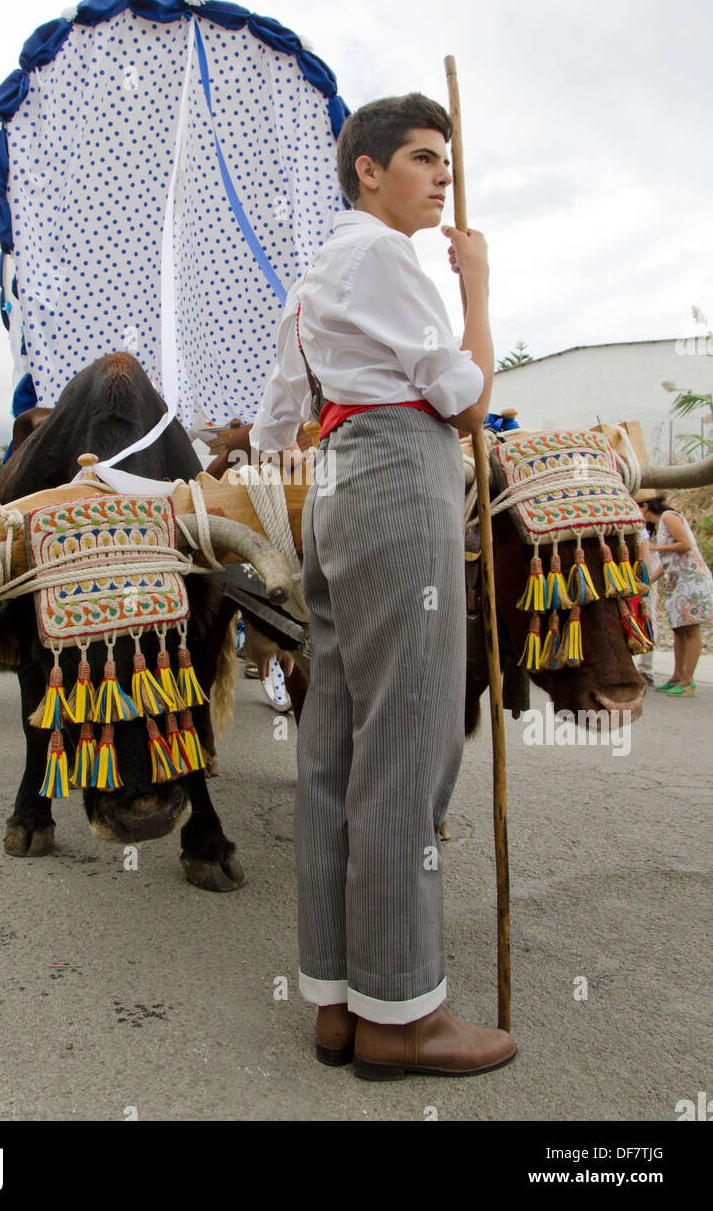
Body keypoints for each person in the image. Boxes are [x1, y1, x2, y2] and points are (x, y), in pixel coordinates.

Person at [250, 92, 515, 1078]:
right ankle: (402, 1014)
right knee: (408, 741)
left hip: (336, 489)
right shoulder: (382, 254)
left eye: (447, 158)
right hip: (402, 480)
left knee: (336, 748)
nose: (443, 175)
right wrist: (478, 286)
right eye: (422, 157)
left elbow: (280, 420)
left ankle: (337, 1001)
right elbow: (467, 396)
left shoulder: (317, 274)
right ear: (368, 169)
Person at [645, 494, 713, 696]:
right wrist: (646, 583)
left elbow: (685, 544)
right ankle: (676, 676)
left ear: (645, 507)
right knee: (679, 631)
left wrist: (656, 548)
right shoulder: (657, 528)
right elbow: (666, 564)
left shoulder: (668, 516)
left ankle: (687, 682)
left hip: (692, 581)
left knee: (691, 631)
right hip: (678, 583)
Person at [633, 494, 664, 684]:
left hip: (647, 575)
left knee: (647, 615)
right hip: (641, 574)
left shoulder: (666, 521)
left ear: (644, 506)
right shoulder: (647, 524)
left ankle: (646, 668)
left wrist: (647, 581)